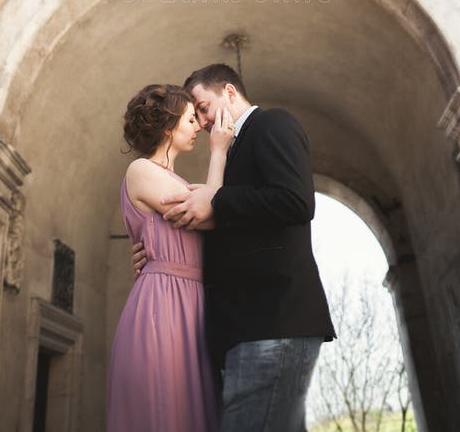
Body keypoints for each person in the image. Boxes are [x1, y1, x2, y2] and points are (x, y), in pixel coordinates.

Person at [133, 64, 336, 432]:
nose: (203, 121)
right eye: (195, 116)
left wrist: (219, 200)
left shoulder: (272, 124)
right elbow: (222, 221)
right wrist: (157, 246)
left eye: (204, 108)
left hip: (274, 321)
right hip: (249, 328)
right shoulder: (228, 150)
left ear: (229, 92)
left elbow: (296, 201)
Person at [108, 82, 234, 432]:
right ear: (167, 127)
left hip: (191, 304)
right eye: (190, 119)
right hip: (162, 307)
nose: (198, 126)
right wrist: (219, 151)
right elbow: (208, 213)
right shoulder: (142, 171)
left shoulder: (173, 179)